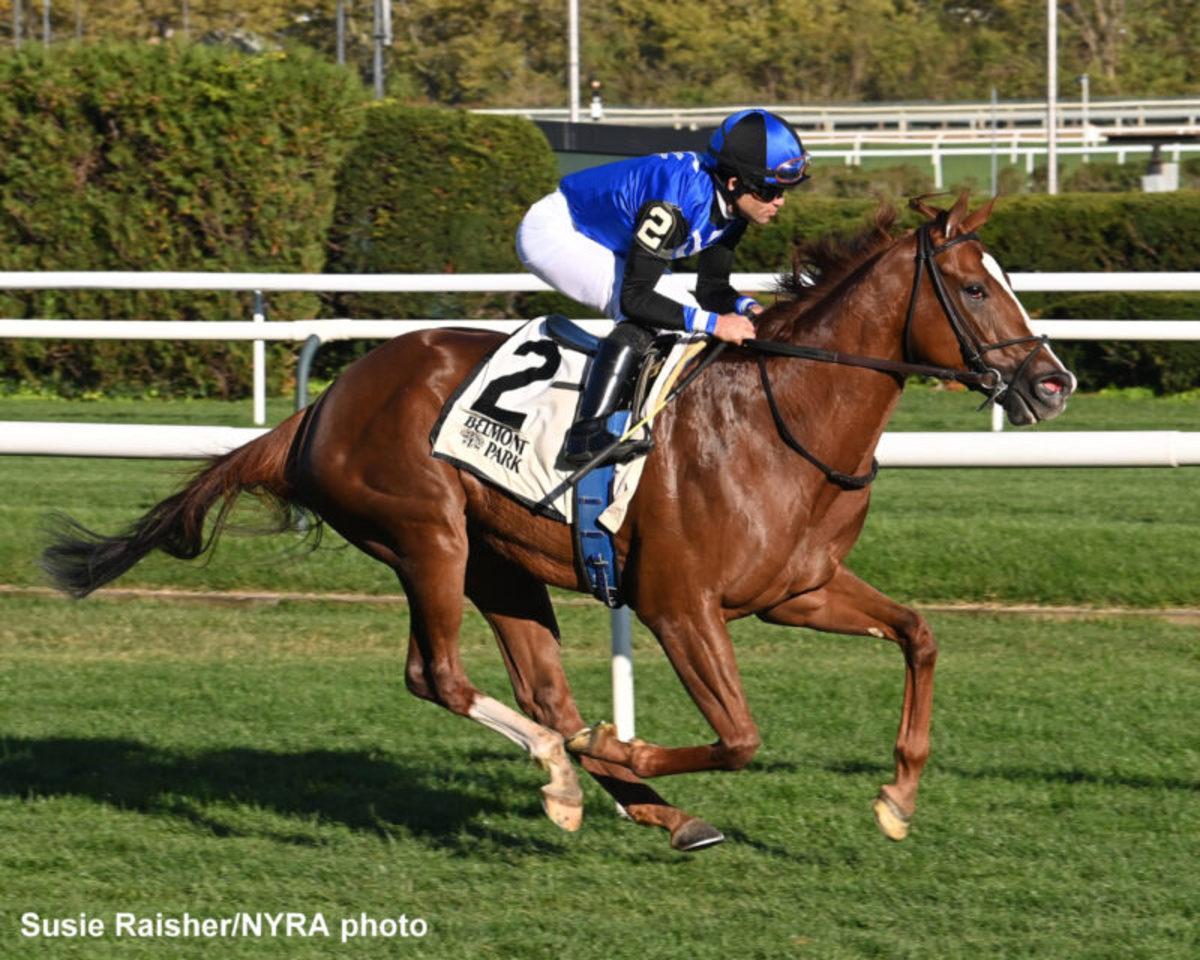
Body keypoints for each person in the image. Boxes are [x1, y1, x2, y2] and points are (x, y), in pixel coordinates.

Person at [516, 108, 810, 468]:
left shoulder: (733, 205)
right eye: (769, 191)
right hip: (557, 232)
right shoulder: (672, 204)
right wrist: (717, 324)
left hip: (605, 237)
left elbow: (712, 289)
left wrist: (748, 308)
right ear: (735, 183)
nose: (779, 201)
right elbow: (636, 298)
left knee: (684, 311)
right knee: (646, 316)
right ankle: (584, 436)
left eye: (782, 191)